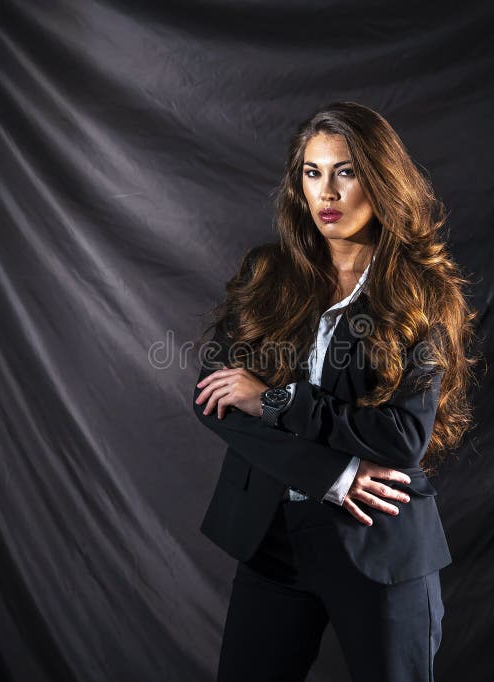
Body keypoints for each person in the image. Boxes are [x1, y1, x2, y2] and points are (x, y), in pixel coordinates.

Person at [192, 101, 477, 682]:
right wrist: (335, 475)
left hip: (380, 546)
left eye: (346, 172)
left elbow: (402, 439)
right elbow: (217, 398)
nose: (329, 192)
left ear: (379, 177)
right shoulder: (267, 276)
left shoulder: (420, 294)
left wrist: (275, 400)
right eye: (313, 172)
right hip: (272, 542)